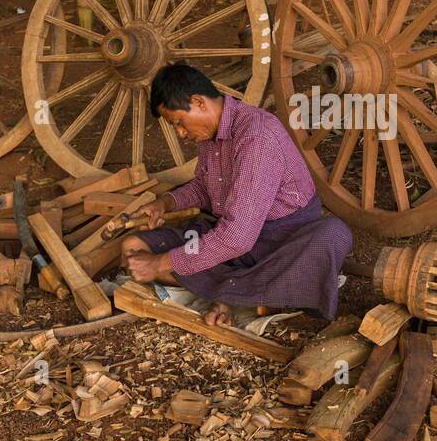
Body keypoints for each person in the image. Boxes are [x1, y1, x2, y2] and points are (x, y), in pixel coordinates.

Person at [122, 63, 353, 327]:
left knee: (331, 235)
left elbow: (236, 238)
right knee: (133, 248)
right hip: (231, 241)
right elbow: (204, 187)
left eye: (178, 123)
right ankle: (246, 295)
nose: (181, 133)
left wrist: (161, 264)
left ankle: (231, 294)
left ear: (197, 102)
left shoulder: (257, 137)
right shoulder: (210, 136)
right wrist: (166, 202)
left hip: (279, 242)